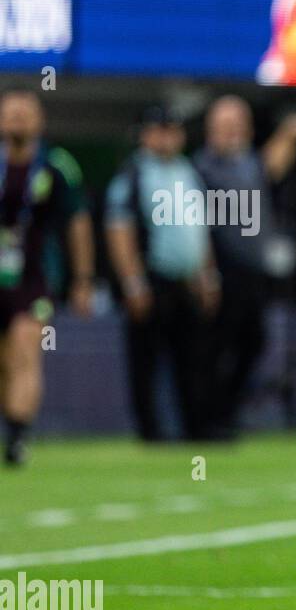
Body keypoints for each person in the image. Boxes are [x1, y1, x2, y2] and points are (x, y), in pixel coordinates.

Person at [194, 96, 296, 435]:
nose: (234, 132)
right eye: (227, 125)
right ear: (211, 129)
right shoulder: (204, 167)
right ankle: (210, 420)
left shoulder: (246, 162)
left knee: (253, 341)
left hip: (250, 275)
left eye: (239, 125)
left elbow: (268, 167)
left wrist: (290, 134)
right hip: (221, 272)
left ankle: (226, 413)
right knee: (217, 347)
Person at [105, 105, 222, 442]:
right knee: (146, 359)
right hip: (152, 278)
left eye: (172, 130)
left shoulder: (188, 172)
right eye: (159, 130)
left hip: (187, 280)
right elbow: (119, 229)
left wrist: (208, 275)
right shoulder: (134, 174)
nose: (167, 137)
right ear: (145, 135)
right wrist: (133, 281)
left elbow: (199, 228)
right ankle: (150, 432)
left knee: (191, 357)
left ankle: (195, 428)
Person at [0, 89, 94, 466]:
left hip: (34, 278)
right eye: (11, 113)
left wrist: (83, 278)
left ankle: (18, 439)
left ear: (40, 121)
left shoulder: (56, 165)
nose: (18, 119)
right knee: (5, 362)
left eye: (26, 113)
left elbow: (78, 223)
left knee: (26, 350)